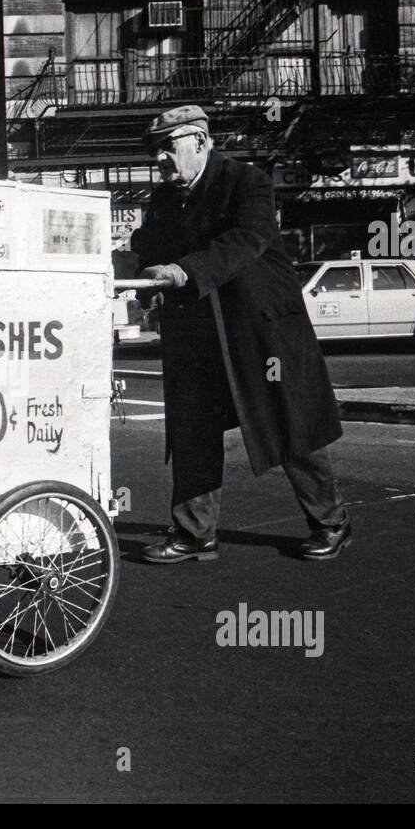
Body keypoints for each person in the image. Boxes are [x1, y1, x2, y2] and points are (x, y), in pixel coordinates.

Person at [131, 105, 351, 563]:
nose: (161, 160)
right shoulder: (166, 199)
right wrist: (136, 276)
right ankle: (194, 534)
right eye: (156, 151)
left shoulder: (246, 182)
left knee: (291, 425)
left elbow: (246, 240)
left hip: (259, 327)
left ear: (200, 141)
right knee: (193, 428)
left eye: (168, 148)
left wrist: (181, 270)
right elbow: (146, 248)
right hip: (197, 331)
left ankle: (331, 522)